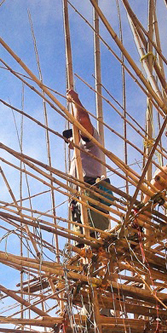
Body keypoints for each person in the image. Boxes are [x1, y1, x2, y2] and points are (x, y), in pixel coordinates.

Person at [63, 88, 113, 240]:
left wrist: (75, 101)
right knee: (85, 246)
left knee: (98, 240)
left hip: (91, 195)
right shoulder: (77, 154)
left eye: (71, 136)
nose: (69, 141)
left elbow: (83, 119)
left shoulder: (89, 142)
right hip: (78, 201)